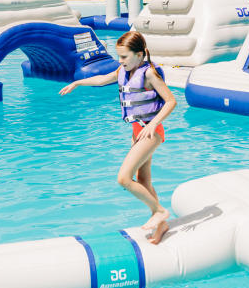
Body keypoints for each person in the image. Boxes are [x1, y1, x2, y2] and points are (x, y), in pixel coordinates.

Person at [59, 31, 176, 244]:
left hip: (150, 132)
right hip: (136, 132)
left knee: (123, 178)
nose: (120, 61)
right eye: (118, 56)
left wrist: (154, 123)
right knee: (143, 180)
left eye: (124, 56)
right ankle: (161, 225)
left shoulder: (148, 74)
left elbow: (170, 101)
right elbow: (103, 79)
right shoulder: (124, 70)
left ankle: (159, 211)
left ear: (139, 55)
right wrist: (77, 83)